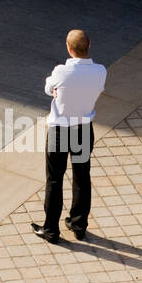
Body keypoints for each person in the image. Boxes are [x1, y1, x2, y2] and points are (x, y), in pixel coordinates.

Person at [31, 30, 107, 245]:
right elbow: (97, 91)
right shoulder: (100, 71)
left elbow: (49, 87)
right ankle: (79, 224)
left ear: (68, 47)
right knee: (82, 176)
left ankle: (51, 230)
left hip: (60, 130)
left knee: (54, 179)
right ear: (89, 45)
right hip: (83, 129)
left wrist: (58, 91)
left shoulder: (61, 71)